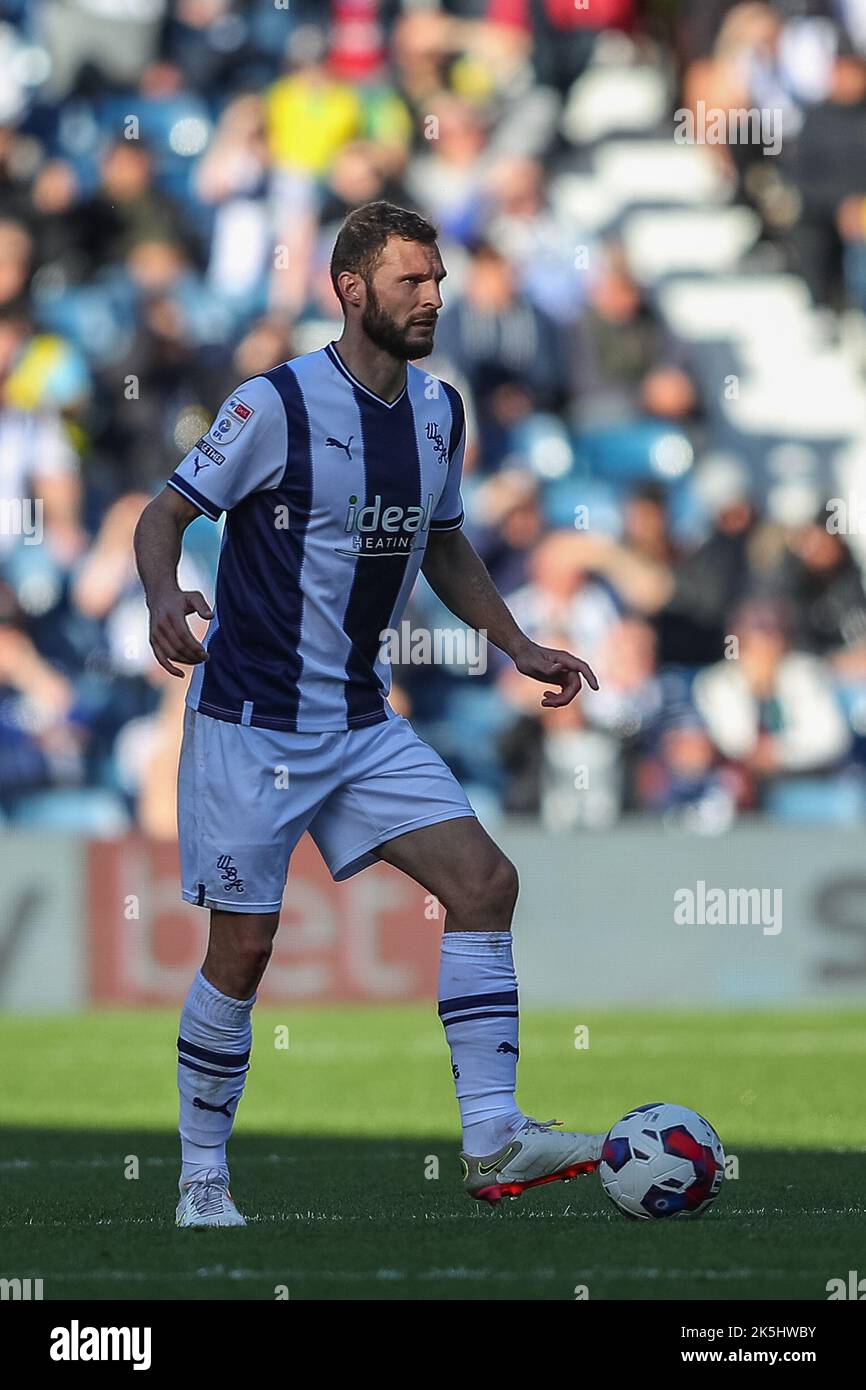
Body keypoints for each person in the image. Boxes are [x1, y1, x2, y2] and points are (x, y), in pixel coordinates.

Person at [133, 201, 604, 1228]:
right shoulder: (275, 405)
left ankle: (491, 1136)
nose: (432, 296)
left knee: (483, 881)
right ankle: (201, 1177)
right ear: (351, 290)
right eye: (410, 282)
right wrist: (166, 597)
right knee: (243, 950)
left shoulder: (439, 411)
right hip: (249, 723)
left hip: (356, 720)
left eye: (435, 279)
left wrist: (514, 642)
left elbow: (441, 541)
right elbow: (165, 510)